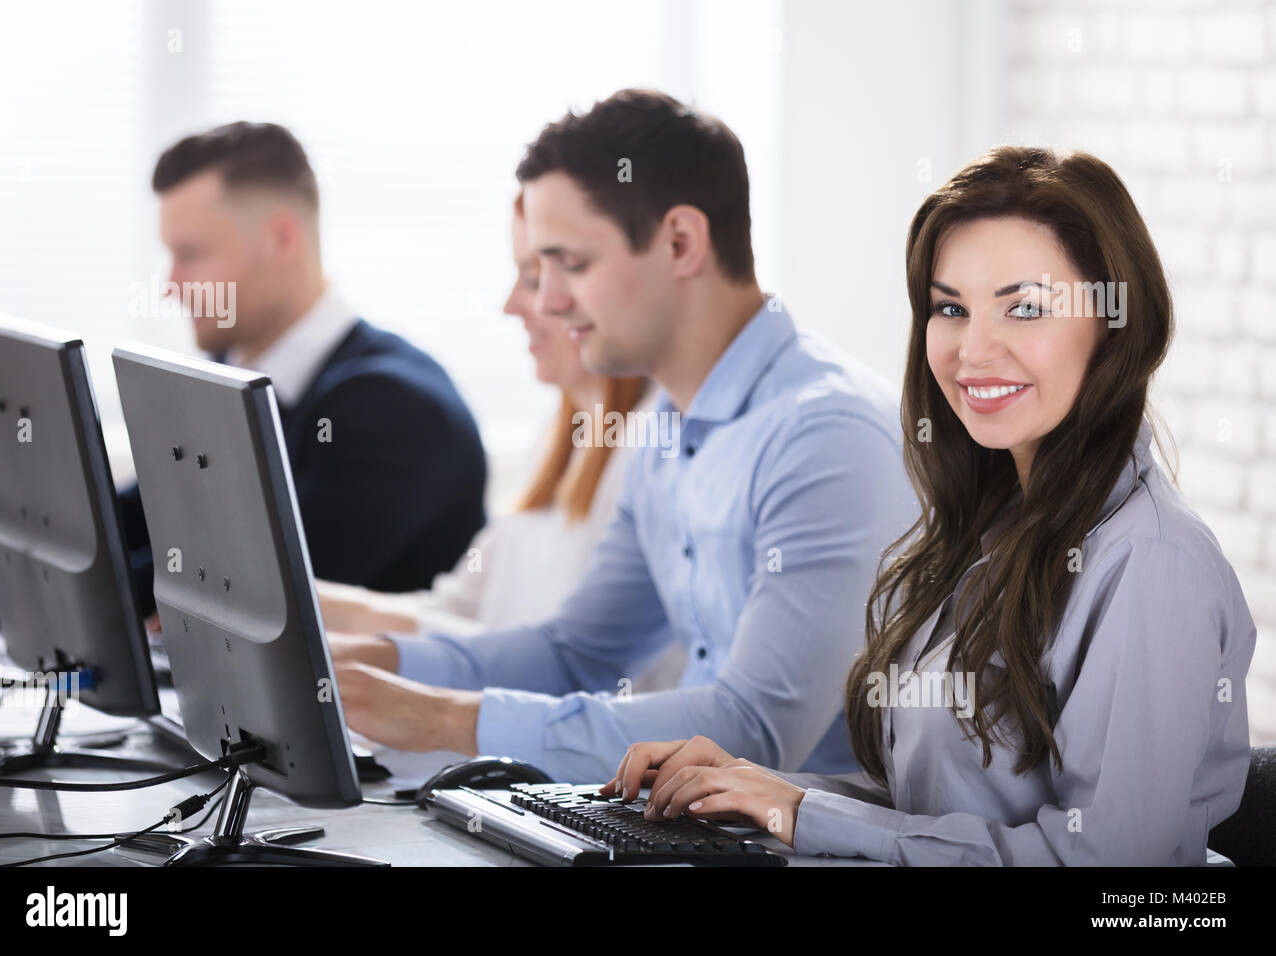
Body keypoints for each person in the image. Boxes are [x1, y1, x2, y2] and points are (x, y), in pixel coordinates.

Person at [608, 146, 1257, 866]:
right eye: (950, 308)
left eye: (1026, 308)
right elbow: (939, 819)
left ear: (1114, 322)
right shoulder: (991, 529)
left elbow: (1106, 866)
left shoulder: (1150, 563)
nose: (973, 351)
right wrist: (750, 787)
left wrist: (800, 814)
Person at [329, 89, 917, 782]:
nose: (546, 300)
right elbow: (578, 653)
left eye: (570, 264)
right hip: (704, 828)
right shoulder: (667, 426)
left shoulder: (826, 435)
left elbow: (753, 733)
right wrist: (367, 669)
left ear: (680, 243)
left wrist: (442, 719)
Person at [117, 122, 487, 616]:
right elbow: (140, 515)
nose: (171, 284)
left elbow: (246, 587)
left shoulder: (395, 411)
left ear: (281, 238)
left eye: (190, 255)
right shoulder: (230, 371)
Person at [317, 193, 684, 690]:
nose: (512, 306)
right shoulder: (556, 440)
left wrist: (370, 655)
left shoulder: (655, 449)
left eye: (536, 278)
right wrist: (294, 604)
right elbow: (456, 610)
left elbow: (568, 667)